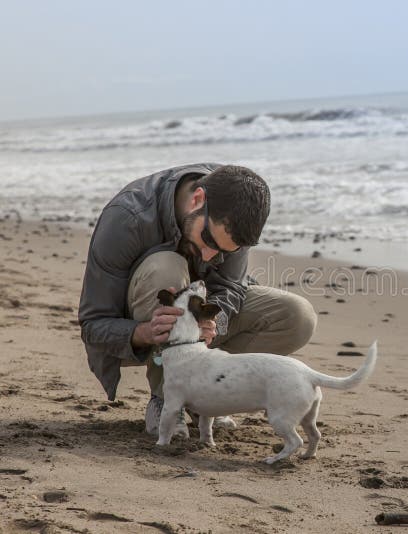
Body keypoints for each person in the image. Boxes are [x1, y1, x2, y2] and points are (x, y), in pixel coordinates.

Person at [78, 163, 317, 436]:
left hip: (196, 339)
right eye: (207, 241)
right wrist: (143, 332)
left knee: (297, 316)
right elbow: (92, 324)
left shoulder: (237, 212)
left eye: (221, 252)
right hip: (135, 330)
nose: (207, 257)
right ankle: (167, 399)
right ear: (197, 199)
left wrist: (215, 320)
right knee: (167, 266)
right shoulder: (127, 217)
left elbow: (229, 287)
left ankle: (203, 396)